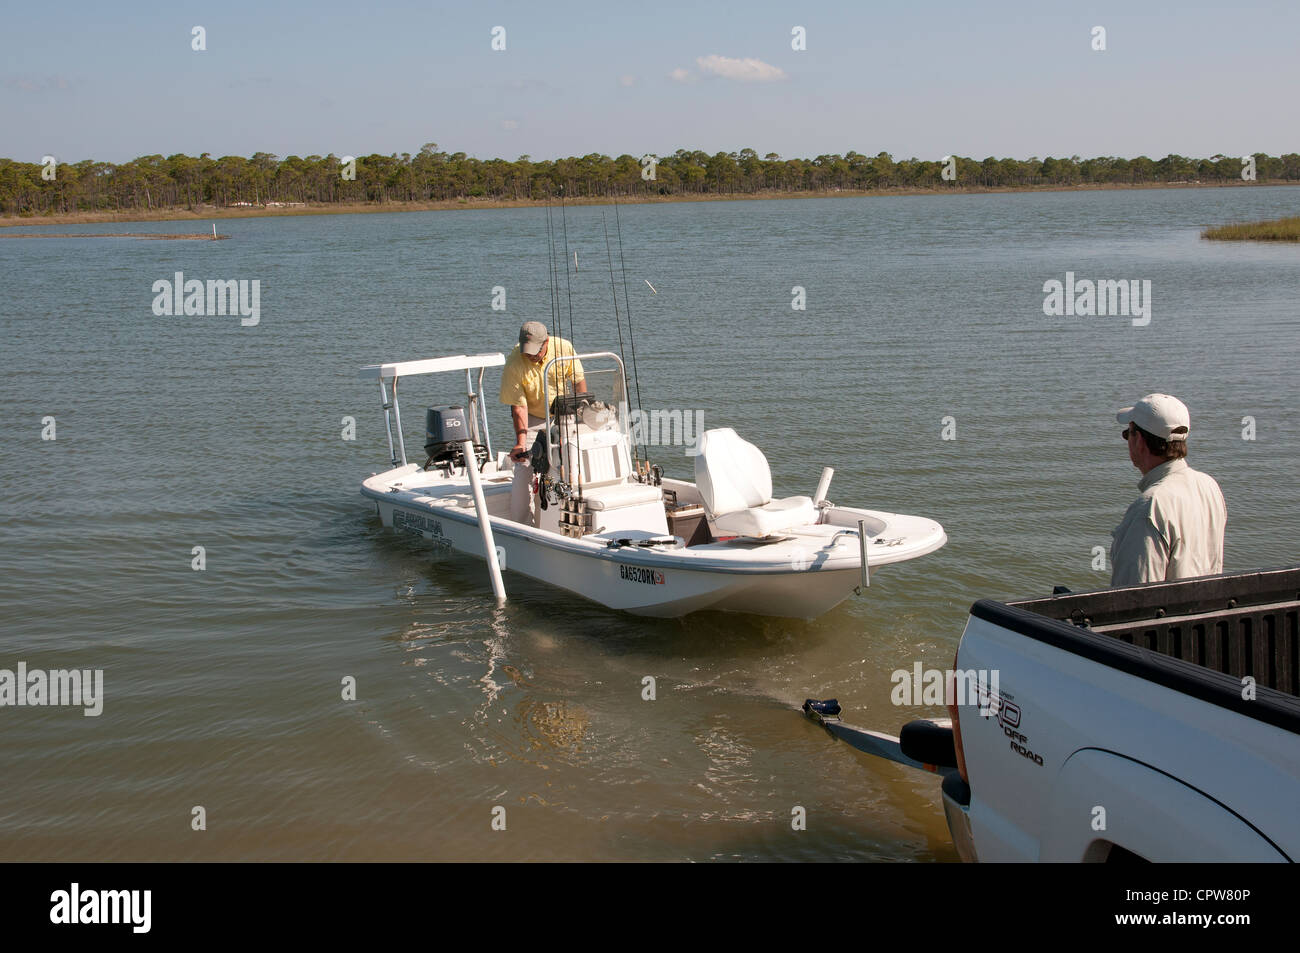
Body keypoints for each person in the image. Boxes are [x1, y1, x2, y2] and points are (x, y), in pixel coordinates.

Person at [1111, 393, 1226, 586]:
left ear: (1139, 441)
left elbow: (1134, 596)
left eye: (1127, 433)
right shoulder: (1209, 486)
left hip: (1169, 615)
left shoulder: (1149, 507)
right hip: (1204, 612)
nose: (1127, 440)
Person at [498, 321, 585, 524]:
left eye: (535, 351)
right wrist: (521, 442)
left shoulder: (564, 347)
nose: (530, 355)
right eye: (526, 351)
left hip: (562, 414)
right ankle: (522, 525)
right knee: (524, 467)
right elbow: (518, 407)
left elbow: (579, 382)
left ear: (546, 342)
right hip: (533, 418)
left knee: (572, 460)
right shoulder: (514, 363)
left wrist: (581, 415)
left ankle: (570, 516)